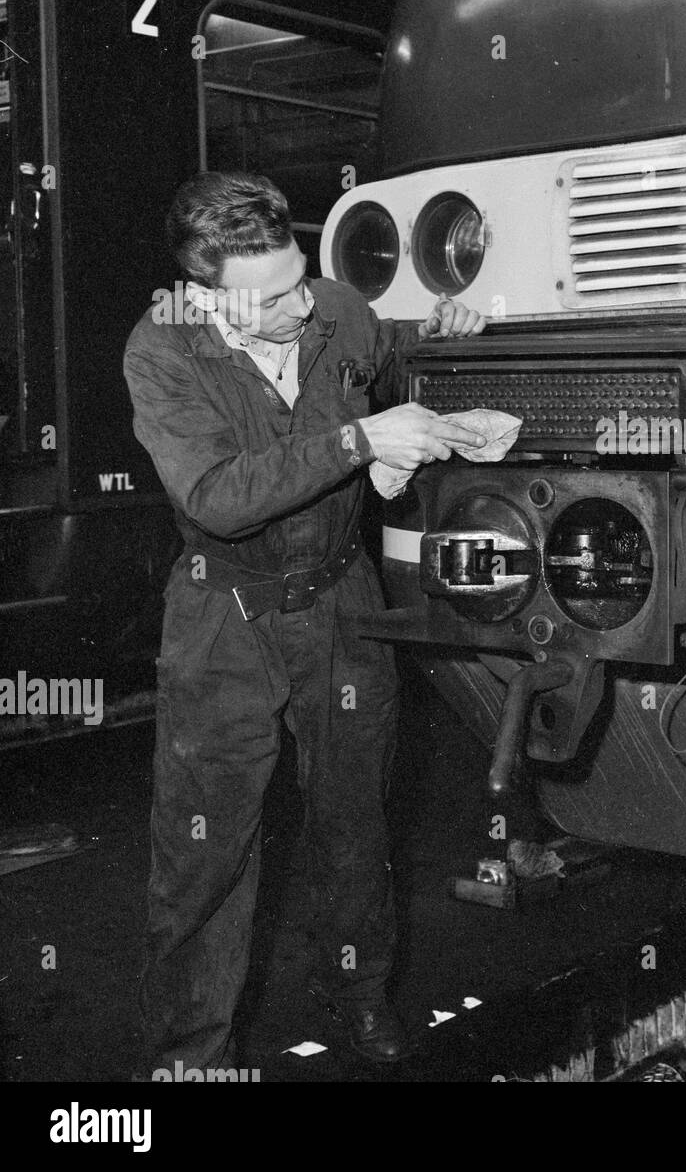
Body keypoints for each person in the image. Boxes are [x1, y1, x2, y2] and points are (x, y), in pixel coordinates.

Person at [123, 171, 486, 1070]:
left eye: (298, 279)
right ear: (204, 295)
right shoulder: (161, 353)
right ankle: (189, 1053)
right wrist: (359, 442)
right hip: (224, 616)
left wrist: (444, 340)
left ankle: (358, 994)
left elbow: (389, 371)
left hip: (340, 604)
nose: (301, 306)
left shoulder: (334, 308)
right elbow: (216, 496)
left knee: (356, 819)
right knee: (207, 854)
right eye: (270, 299)